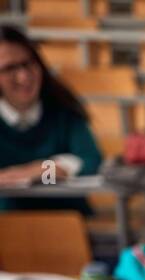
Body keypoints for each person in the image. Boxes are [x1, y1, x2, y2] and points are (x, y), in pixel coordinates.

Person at [0, 26, 102, 211]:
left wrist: (46, 170)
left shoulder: (62, 108)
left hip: (68, 221)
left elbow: (91, 160)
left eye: (29, 63)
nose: (24, 77)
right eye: (9, 69)